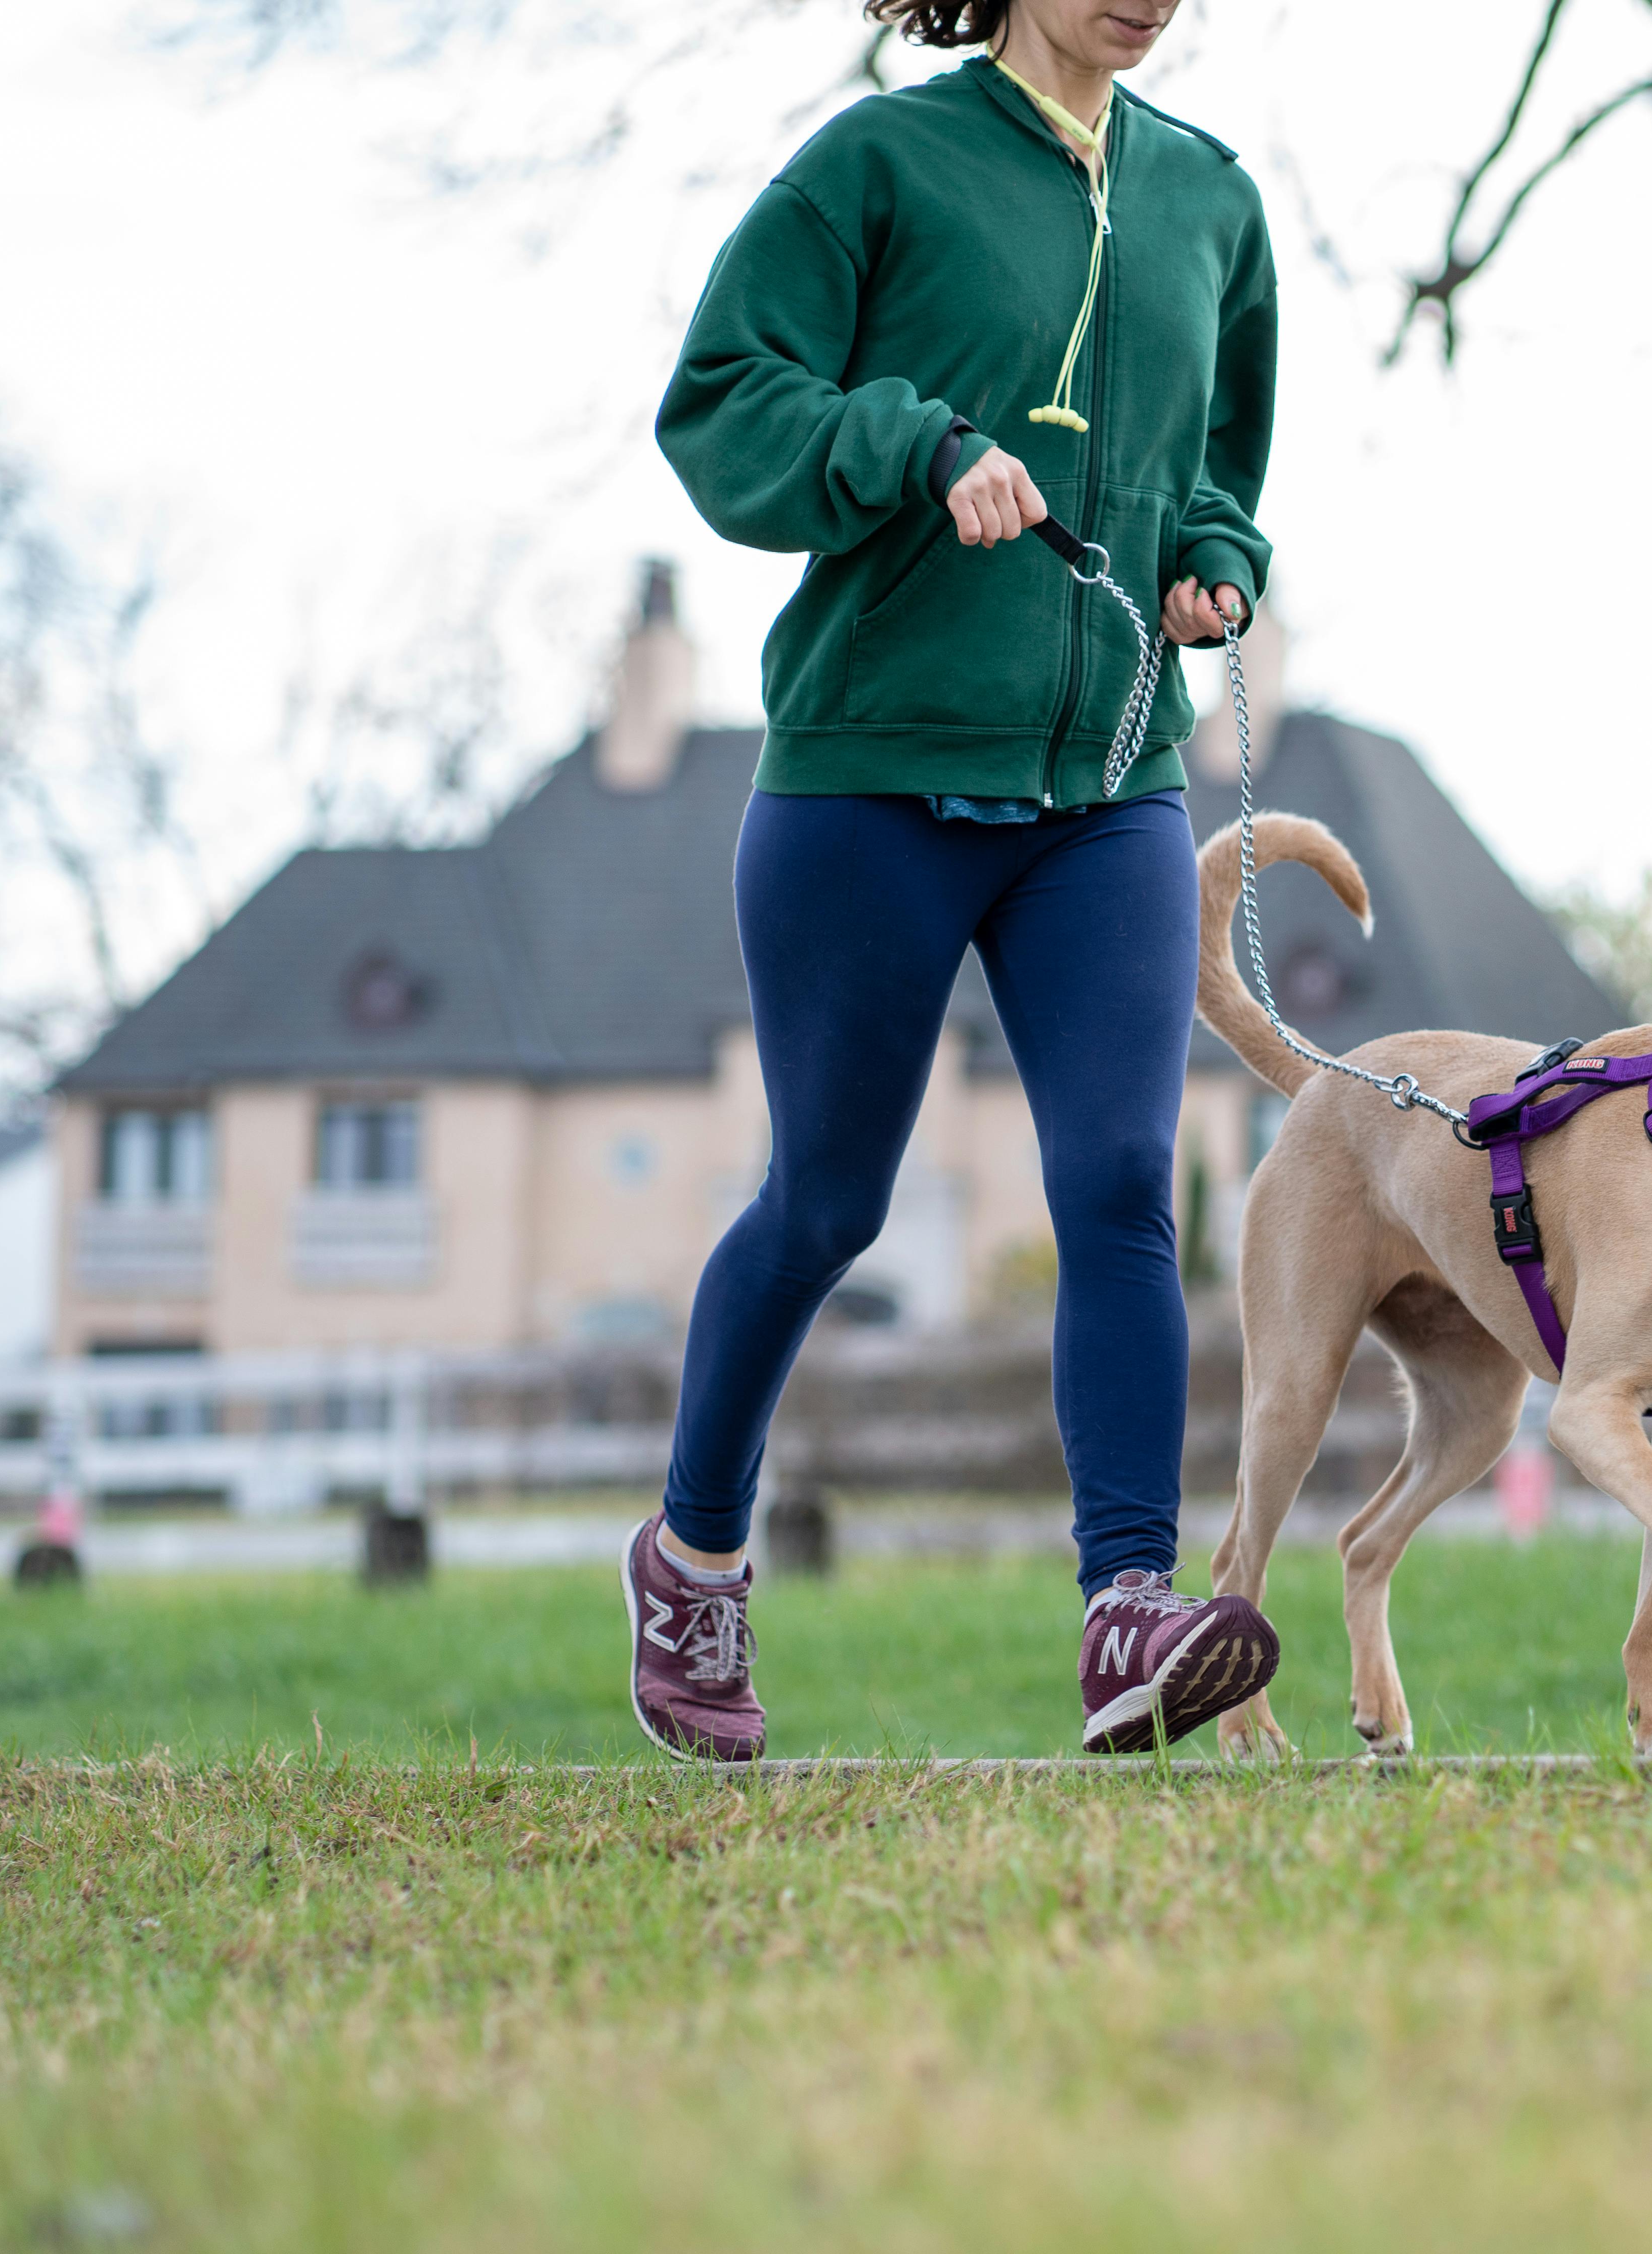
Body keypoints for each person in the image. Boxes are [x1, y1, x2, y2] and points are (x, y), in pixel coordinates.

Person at [624, 0, 1281, 1762]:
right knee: (829, 1205)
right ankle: (693, 1557)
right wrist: (909, 445)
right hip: (872, 775)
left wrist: (1215, 555)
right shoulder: (880, 167)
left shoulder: (1210, 200)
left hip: (1110, 789)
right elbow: (722, 405)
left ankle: (1127, 1611)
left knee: (1126, 1183)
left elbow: (1222, 463)